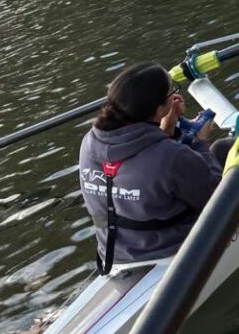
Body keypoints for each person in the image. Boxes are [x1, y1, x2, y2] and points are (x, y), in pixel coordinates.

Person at [79, 63, 222, 274]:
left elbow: (143, 164)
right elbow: (219, 196)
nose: (175, 96)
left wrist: (167, 131)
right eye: (171, 92)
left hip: (115, 254)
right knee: (223, 148)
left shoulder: (89, 141)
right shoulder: (172, 156)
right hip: (172, 250)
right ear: (160, 109)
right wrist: (197, 141)